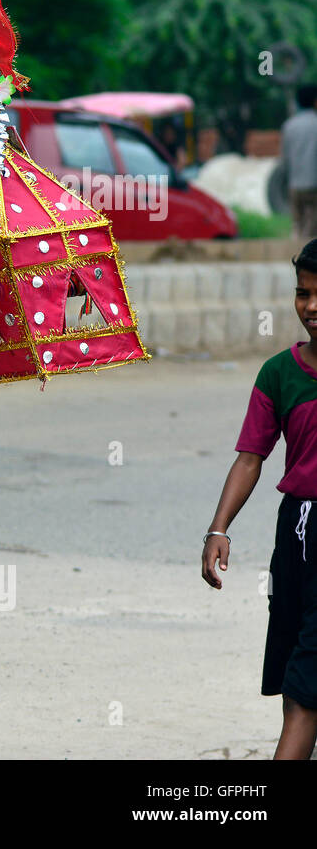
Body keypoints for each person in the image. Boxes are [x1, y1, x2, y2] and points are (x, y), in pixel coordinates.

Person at [201, 237, 317, 759]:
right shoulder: (279, 373)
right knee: (300, 663)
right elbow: (251, 456)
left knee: (304, 692)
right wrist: (218, 528)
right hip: (296, 537)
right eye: (303, 294)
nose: (310, 307)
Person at [281, 85, 317, 238]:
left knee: (297, 224)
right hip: (314, 183)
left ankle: (296, 255)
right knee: (312, 227)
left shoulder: (289, 126)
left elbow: (285, 158)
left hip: (294, 184)